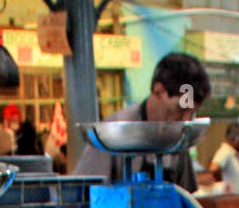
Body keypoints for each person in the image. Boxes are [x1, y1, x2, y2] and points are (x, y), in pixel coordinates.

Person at [74, 52, 211, 193]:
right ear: (159, 91)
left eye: (192, 113)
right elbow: (82, 195)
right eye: (181, 109)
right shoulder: (113, 133)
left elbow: (188, 198)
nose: (186, 120)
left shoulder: (178, 137)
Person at [209, 124, 239, 193]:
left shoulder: (231, 153)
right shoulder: (225, 151)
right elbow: (213, 169)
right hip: (231, 199)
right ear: (235, 138)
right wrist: (222, 185)